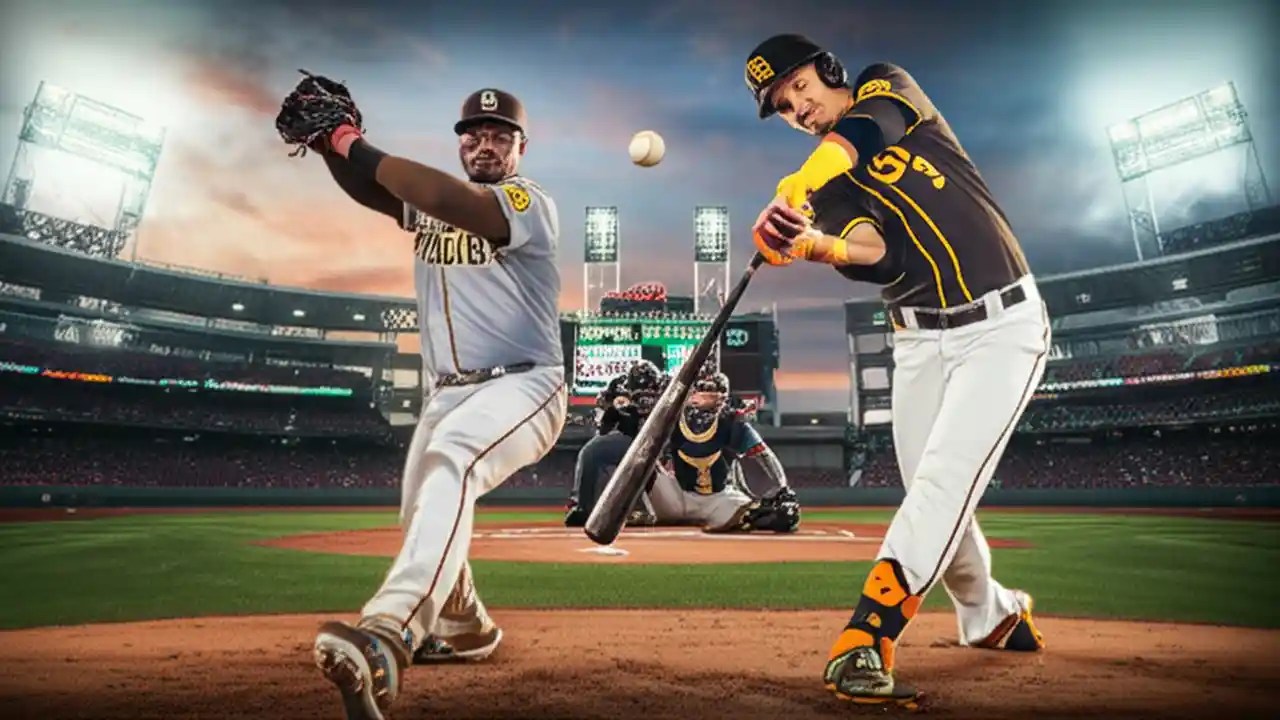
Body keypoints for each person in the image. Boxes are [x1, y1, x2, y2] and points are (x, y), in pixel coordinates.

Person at [743, 34, 1050, 707]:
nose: (797, 108)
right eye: (781, 105)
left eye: (799, 87)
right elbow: (881, 257)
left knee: (942, 480)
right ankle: (991, 613)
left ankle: (869, 634)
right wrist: (811, 242)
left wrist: (801, 181)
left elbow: (867, 130)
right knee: (931, 492)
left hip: (1001, 327)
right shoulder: (827, 190)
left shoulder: (888, 89)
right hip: (916, 342)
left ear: (828, 70)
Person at [277, 79, 567, 720]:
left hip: (524, 383)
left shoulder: (526, 202)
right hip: (447, 392)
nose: (485, 144)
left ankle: (387, 635)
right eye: (474, 135)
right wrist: (329, 149)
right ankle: (464, 624)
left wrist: (350, 138)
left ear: (520, 148)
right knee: (422, 510)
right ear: (460, 142)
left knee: (453, 461)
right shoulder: (432, 207)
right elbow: (377, 192)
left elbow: (434, 191)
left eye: (500, 136)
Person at [649, 370, 799, 532]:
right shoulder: (671, 419)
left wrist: (782, 487)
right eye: (701, 393)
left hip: (717, 498)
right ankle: (633, 510)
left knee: (768, 516)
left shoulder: (732, 424)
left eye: (710, 394)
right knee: (641, 465)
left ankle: (758, 517)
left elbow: (763, 455)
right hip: (677, 495)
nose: (701, 398)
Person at [564, 359, 667, 527]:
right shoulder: (623, 398)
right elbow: (606, 426)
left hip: (660, 452)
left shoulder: (666, 389)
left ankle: (586, 506)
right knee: (599, 453)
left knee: (594, 452)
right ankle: (591, 507)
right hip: (649, 448)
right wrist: (616, 415)